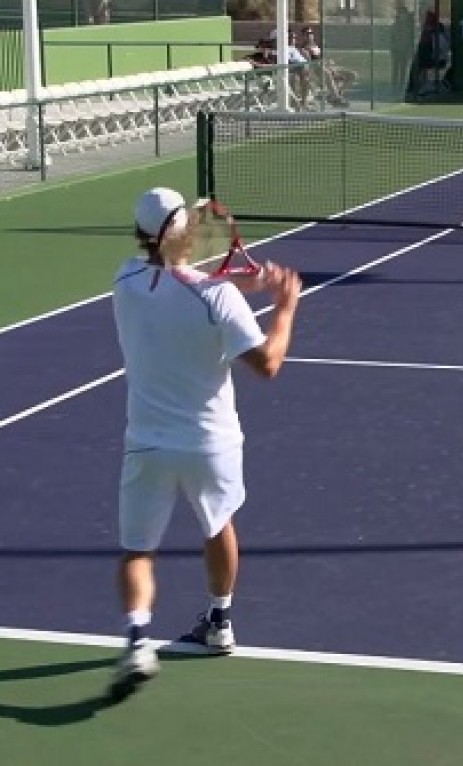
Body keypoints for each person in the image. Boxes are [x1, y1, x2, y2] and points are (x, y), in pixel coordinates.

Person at [109, 188, 302, 701]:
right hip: (210, 445)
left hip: (146, 443)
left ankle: (136, 642)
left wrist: (243, 280)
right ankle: (221, 621)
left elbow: (174, 279)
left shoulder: (125, 281)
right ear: (184, 232)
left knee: (137, 552)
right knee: (218, 525)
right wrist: (284, 307)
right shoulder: (218, 299)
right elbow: (268, 364)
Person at [416, 9, 451, 97]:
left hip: (438, 59)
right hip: (432, 57)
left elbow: (443, 48)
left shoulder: (437, 36)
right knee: (421, 64)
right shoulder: (428, 36)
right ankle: (423, 84)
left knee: (423, 64)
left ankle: (427, 85)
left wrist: (437, 55)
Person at [391, 2, 416, 94]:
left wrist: (410, 50)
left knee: (403, 70)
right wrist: (393, 48)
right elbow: (392, 38)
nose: (402, 16)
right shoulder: (395, 25)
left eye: (403, 14)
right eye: (401, 14)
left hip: (405, 51)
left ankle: (401, 87)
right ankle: (394, 87)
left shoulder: (409, 26)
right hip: (396, 50)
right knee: (395, 70)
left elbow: (410, 39)